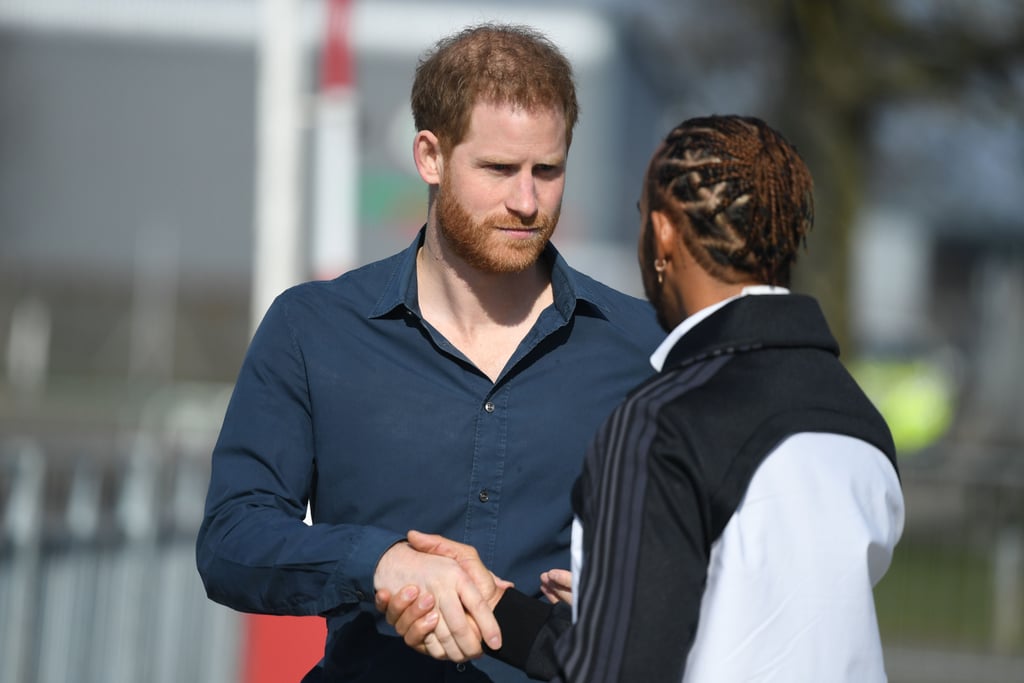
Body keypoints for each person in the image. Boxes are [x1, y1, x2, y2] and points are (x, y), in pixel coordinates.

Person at [194, 22, 664, 683]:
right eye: (499, 169)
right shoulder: (312, 328)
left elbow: (718, 559)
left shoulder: (644, 346)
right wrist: (381, 566)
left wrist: (626, 605)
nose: (526, 201)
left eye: (547, 170)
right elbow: (231, 541)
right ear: (429, 156)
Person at [381, 114, 906, 682]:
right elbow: (765, 622)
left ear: (662, 234)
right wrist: (509, 609)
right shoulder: (859, 420)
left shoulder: (663, 422)